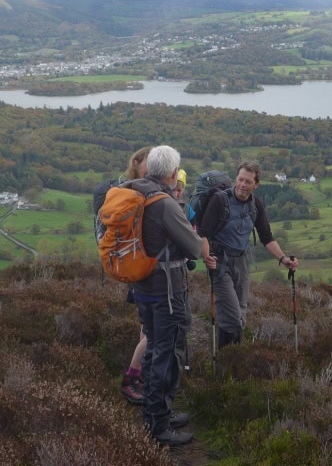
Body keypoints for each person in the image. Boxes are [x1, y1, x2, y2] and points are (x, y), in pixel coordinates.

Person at [129, 146, 216, 447]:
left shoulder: (136, 191)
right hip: (167, 292)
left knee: (155, 348)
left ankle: (158, 413)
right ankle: (158, 425)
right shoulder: (165, 203)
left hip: (143, 287)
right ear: (171, 172)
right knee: (167, 354)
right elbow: (193, 248)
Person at [197, 161, 298, 348]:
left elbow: (267, 238)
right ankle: (230, 358)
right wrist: (207, 257)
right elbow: (203, 233)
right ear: (236, 179)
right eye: (240, 179)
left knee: (240, 315)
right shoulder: (220, 201)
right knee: (233, 317)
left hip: (243, 263)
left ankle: (233, 358)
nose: (243, 185)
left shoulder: (256, 205)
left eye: (248, 182)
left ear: (256, 185)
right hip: (220, 263)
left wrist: (283, 259)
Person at [94, 147, 152, 406]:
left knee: (146, 327)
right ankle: (132, 379)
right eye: (148, 164)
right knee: (150, 329)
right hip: (138, 268)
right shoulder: (132, 194)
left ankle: (140, 375)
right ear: (136, 163)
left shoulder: (131, 191)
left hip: (138, 266)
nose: (151, 169)